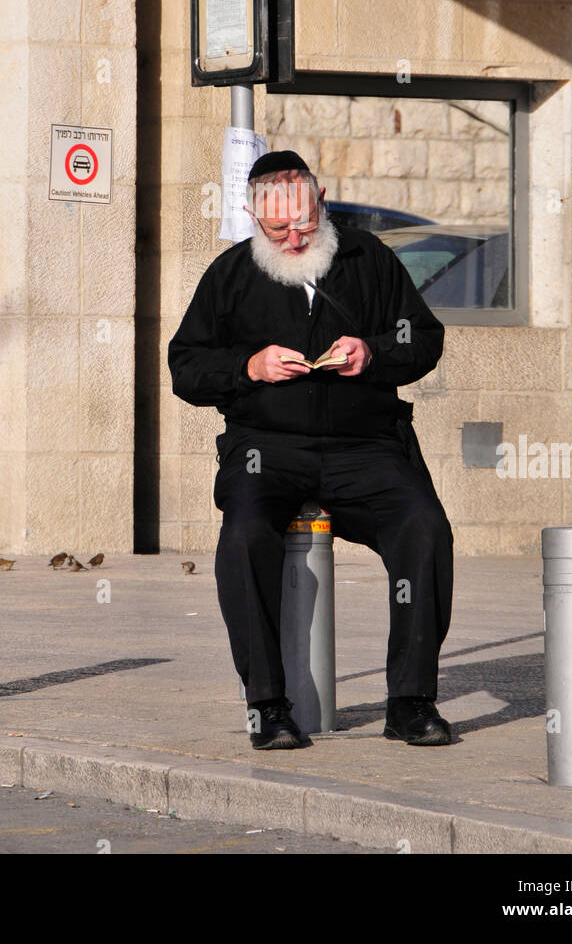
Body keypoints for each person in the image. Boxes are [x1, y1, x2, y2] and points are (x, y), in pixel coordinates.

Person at [168, 149, 454, 750]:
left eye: (304, 221)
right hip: (264, 448)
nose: (295, 237)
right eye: (278, 228)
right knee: (244, 538)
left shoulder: (369, 260)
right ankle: (268, 705)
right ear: (252, 216)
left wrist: (374, 353)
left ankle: (410, 700)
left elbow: (422, 338)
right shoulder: (229, 275)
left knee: (424, 527)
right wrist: (249, 366)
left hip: (365, 446)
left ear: (320, 198)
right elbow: (185, 367)